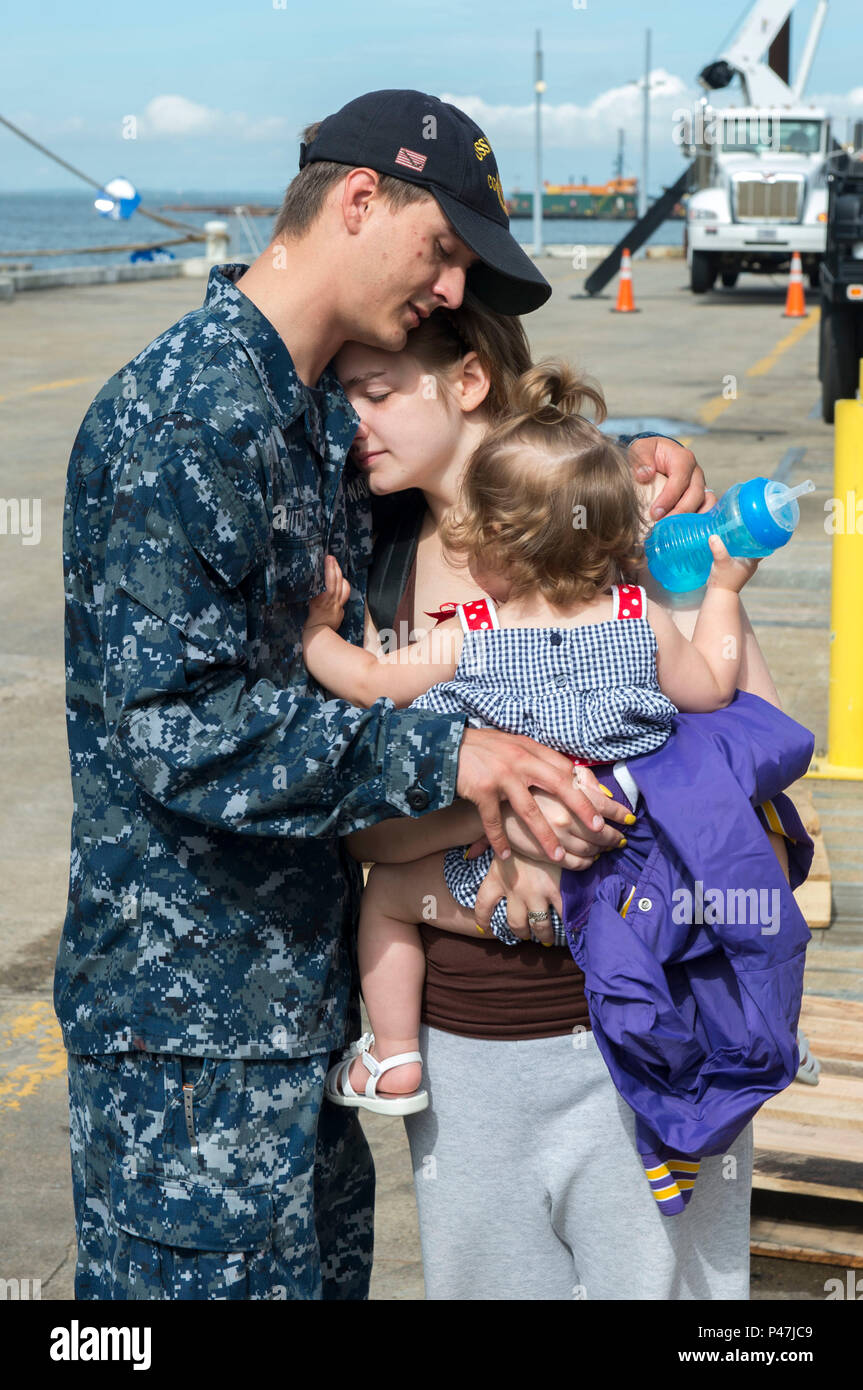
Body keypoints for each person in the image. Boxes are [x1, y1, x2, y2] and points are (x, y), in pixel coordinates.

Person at [58, 89, 679, 1301]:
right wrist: (458, 760)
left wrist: (644, 456)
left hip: (301, 1010)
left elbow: (476, 446)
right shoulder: (191, 418)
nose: (451, 291)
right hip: (191, 1040)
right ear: (357, 200)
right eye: (443, 250)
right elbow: (181, 736)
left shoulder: (309, 414)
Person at [327, 292, 810, 1299]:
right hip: (479, 1040)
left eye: (374, 390)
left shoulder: (608, 529)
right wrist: (501, 801)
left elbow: (749, 749)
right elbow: (356, 825)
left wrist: (697, 579)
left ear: (467, 380)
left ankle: (391, 1051)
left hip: (652, 1030)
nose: (350, 422)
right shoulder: (372, 562)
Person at [302, 360, 767, 1119]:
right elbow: (715, 689)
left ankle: (391, 1059)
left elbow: (366, 683)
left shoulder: (468, 635)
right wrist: (718, 592)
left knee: (386, 898)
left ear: (491, 548)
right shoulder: (636, 619)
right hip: (634, 874)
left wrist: (319, 632)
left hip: (496, 882)